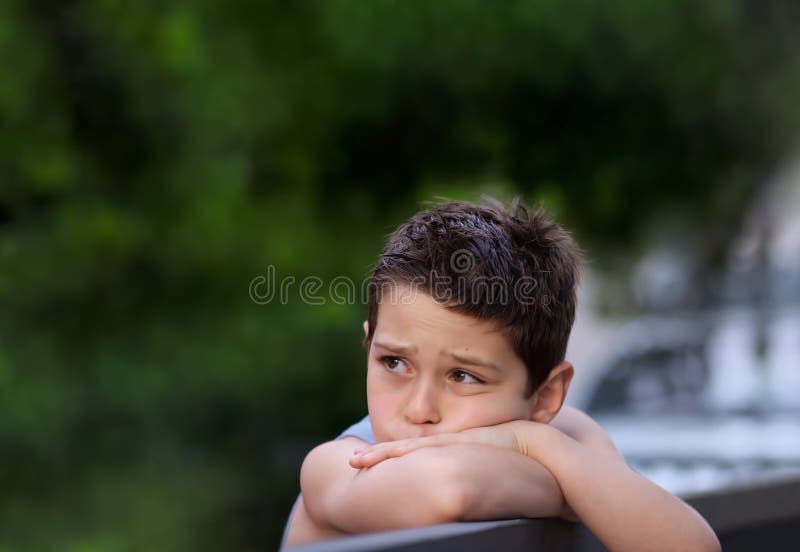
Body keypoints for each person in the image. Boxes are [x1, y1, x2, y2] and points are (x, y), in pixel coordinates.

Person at [282, 197, 720, 551]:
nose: (419, 411)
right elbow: (449, 489)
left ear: (545, 397)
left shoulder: (557, 435)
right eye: (394, 363)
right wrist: (570, 488)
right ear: (369, 347)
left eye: (463, 376)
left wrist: (533, 441)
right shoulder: (338, 467)